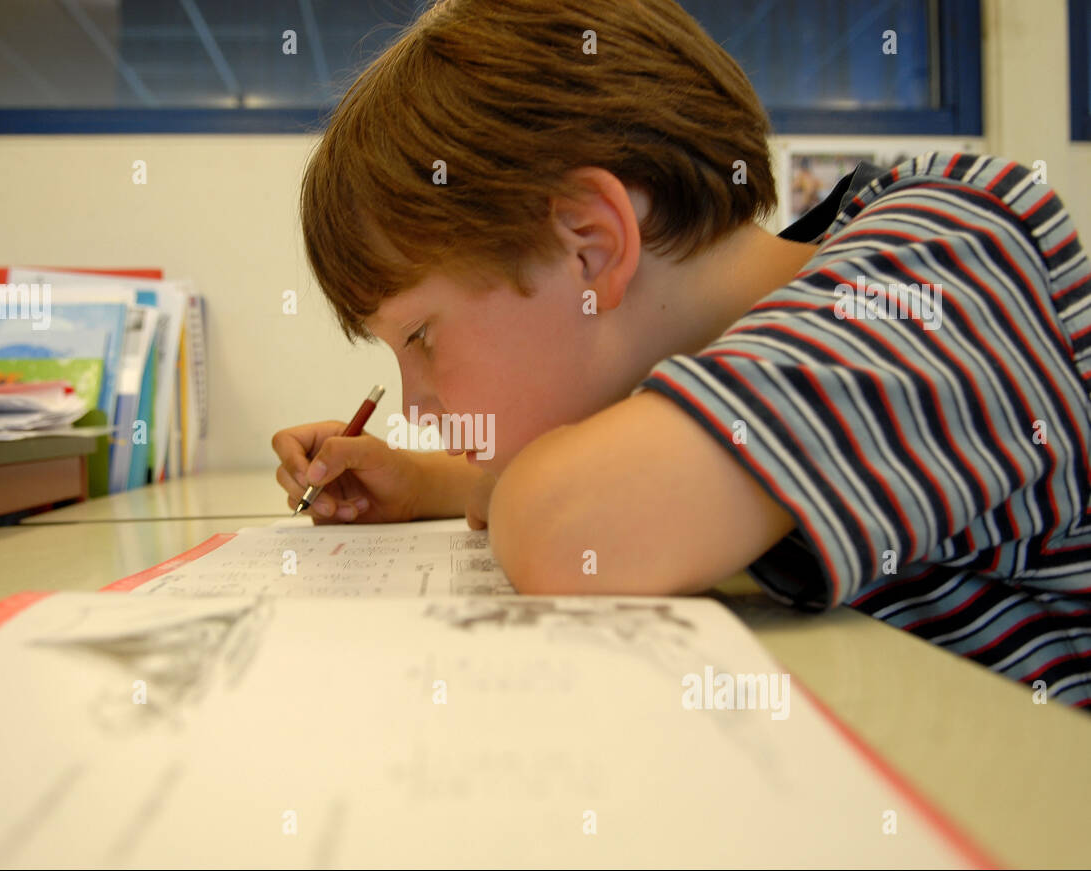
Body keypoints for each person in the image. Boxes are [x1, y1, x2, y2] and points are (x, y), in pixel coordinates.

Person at [272, 0, 1091, 709]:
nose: (414, 406)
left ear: (588, 246)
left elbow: (569, 526)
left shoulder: (948, 257)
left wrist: (509, 484)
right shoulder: (746, 355)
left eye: (421, 337)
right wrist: (424, 483)